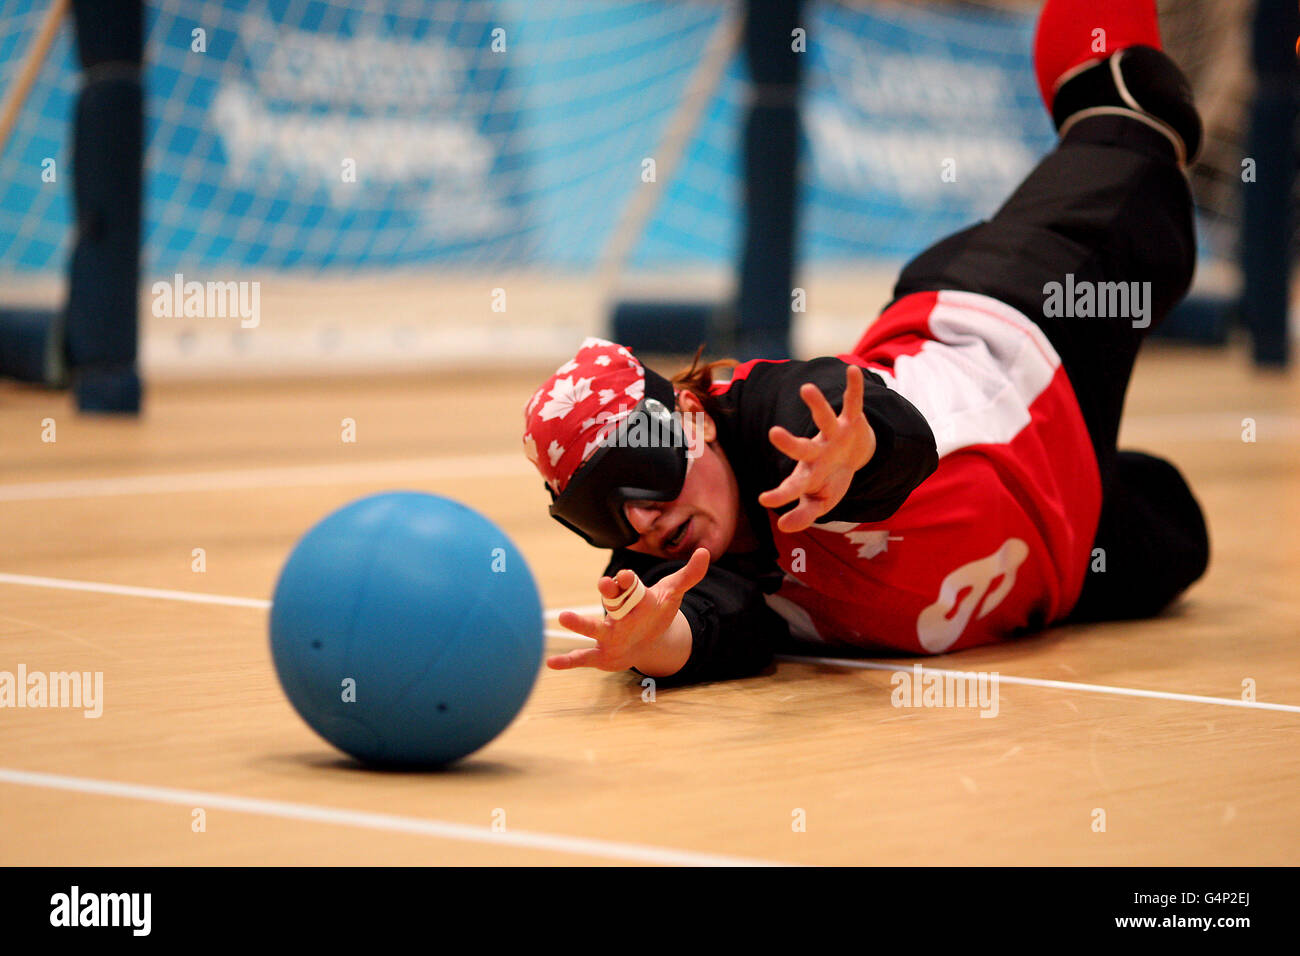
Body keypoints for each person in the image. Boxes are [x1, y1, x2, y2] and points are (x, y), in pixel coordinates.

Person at [522, 0, 1210, 685]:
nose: (639, 519)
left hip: (1017, 330)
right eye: (596, 514)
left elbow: (865, 426)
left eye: (636, 472)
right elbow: (721, 627)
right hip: (1061, 528)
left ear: (693, 417)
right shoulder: (658, 565)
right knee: (1179, 535)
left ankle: (1094, 68)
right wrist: (656, 644)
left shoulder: (775, 420)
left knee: (1140, 121)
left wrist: (856, 453)